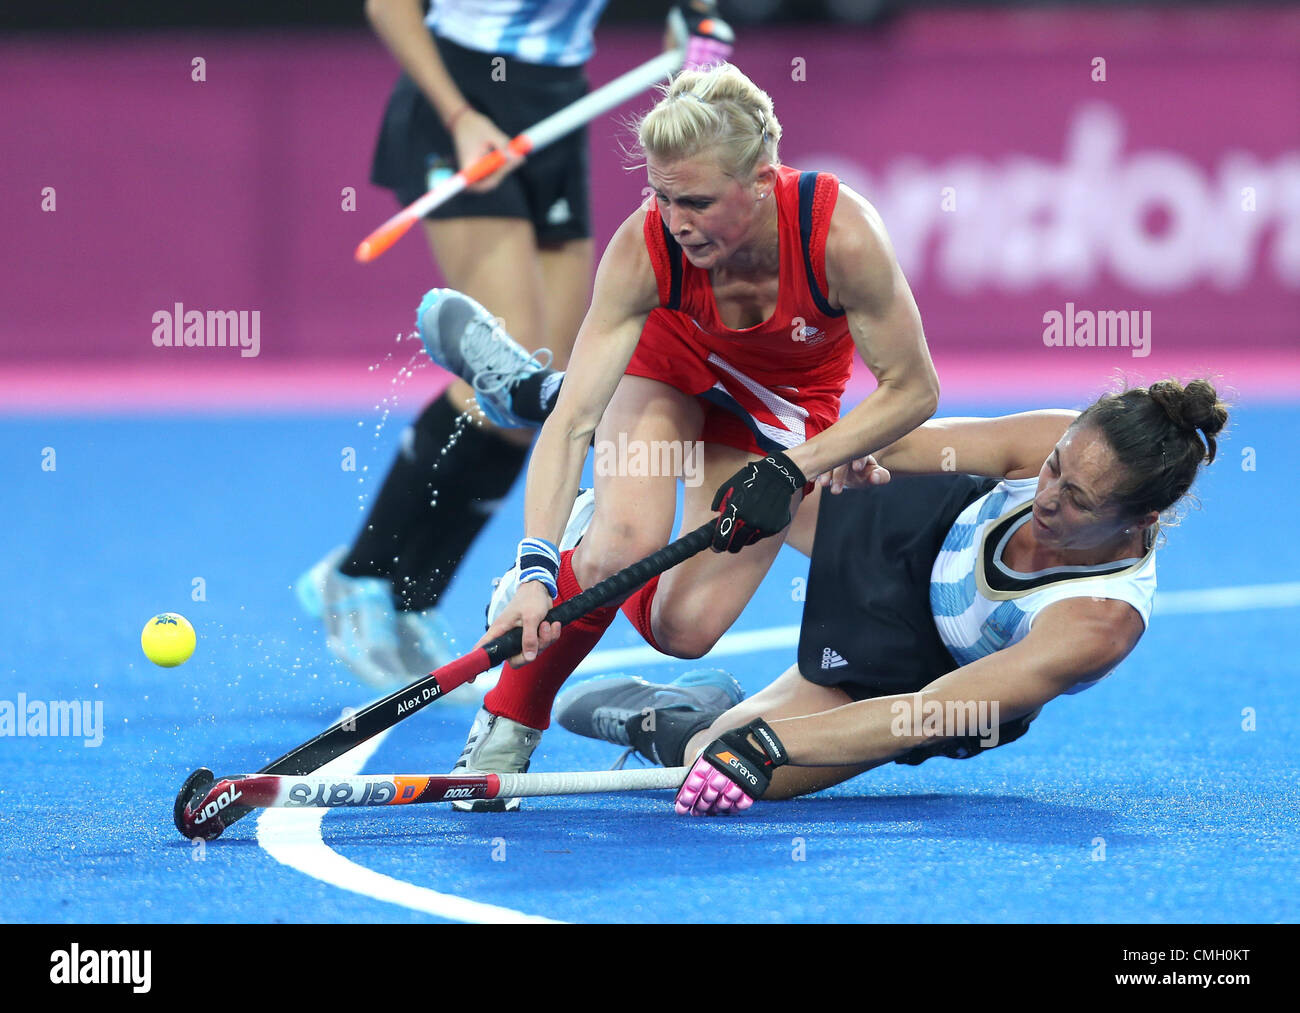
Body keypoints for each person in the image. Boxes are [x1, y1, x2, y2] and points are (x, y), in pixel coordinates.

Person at [442, 60, 941, 810]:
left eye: (699, 201)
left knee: (685, 630)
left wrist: (799, 464)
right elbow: (576, 422)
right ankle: (509, 724)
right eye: (662, 195)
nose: (678, 220)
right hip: (668, 374)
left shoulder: (842, 234)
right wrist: (540, 568)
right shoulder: (647, 244)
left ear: (764, 182)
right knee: (622, 543)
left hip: (776, 412)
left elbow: (916, 388)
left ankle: (563, 459)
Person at [294, 1, 726, 689]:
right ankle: (359, 575)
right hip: (459, 97)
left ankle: (411, 601)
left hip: (558, 103)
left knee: (545, 390)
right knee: (508, 362)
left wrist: (700, 23)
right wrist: (461, 117)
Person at [551, 380, 1230, 814]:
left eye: (1078, 500)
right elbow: (921, 443)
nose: (1047, 498)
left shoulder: (1101, 621)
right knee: (751, 464)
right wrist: (865, 456)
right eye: (1053, 469)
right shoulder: (1063, 439)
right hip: (915, 526)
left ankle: (677, 715)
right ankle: (563, 412)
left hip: (915, 673)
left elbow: (928, 713)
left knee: (715, 762)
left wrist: (761, 742)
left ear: (1139, 522)